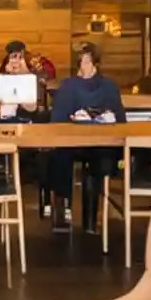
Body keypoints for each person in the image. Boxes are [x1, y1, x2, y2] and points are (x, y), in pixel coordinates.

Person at [47, 42, 128, 233]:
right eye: (81, 62)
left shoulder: (109, 86)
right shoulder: (68, 86)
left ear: (95, 63)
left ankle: (91, 220)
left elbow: (120, 120)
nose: (83, 66)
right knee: (58, 155)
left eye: (87, 61)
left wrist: (105, 118)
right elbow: (57, 120)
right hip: (71, 142)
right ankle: (62, 212)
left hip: (101, 142)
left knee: (101, 159)